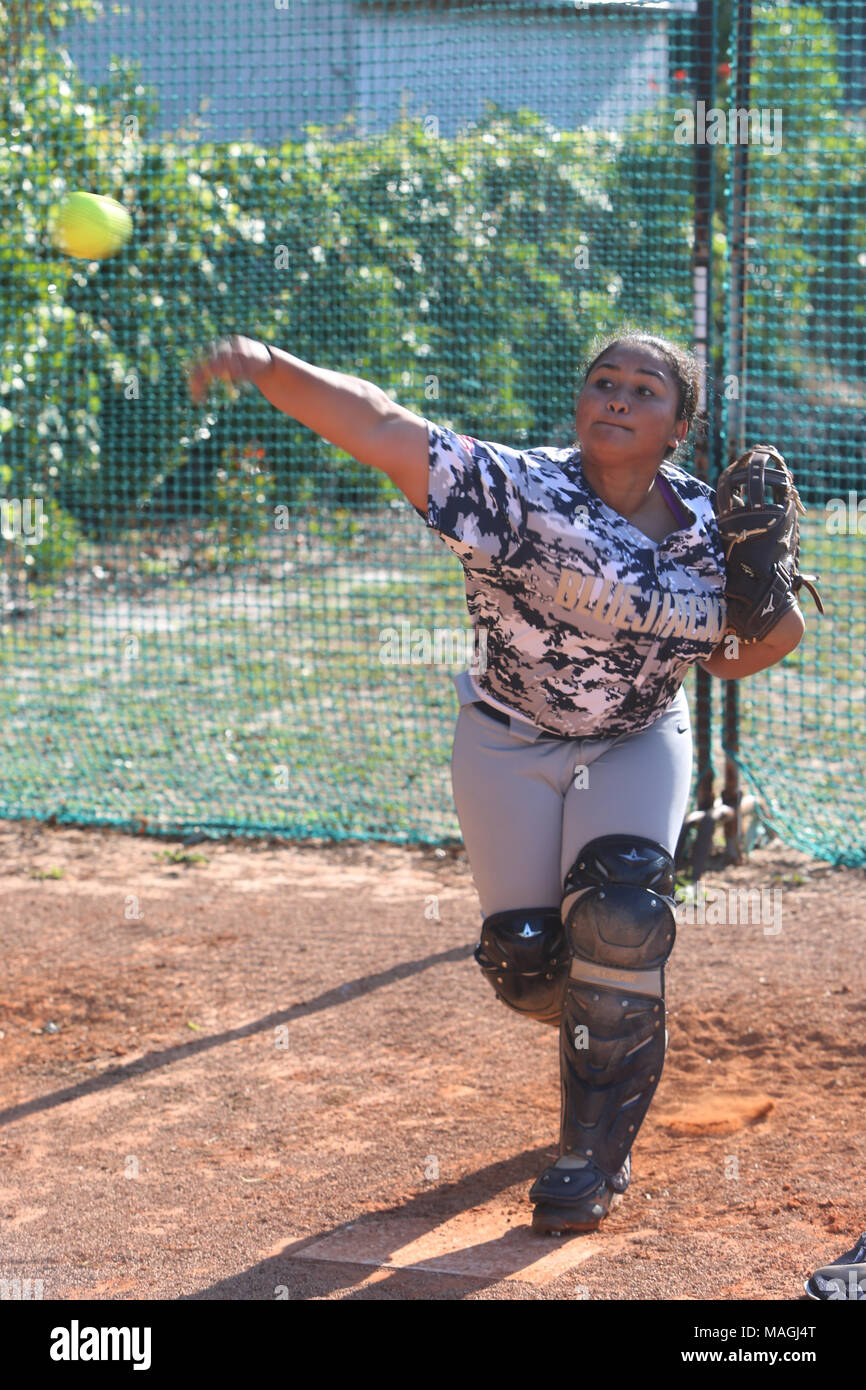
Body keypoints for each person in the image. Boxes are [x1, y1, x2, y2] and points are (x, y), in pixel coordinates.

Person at [187, 330, 806, 1234]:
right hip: (506, 741)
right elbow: (384, 427)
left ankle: (590, 1156)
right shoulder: (518, 492)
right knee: (527, 963)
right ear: (582, 401)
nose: (620, 398)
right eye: (605, 383)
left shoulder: (713, 530)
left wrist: (771, 601)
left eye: (646, 390)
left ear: (680, 427)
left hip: (633, 742)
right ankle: (608, 1020)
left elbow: (737, 663)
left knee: (620, 922)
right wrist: (268, 366)